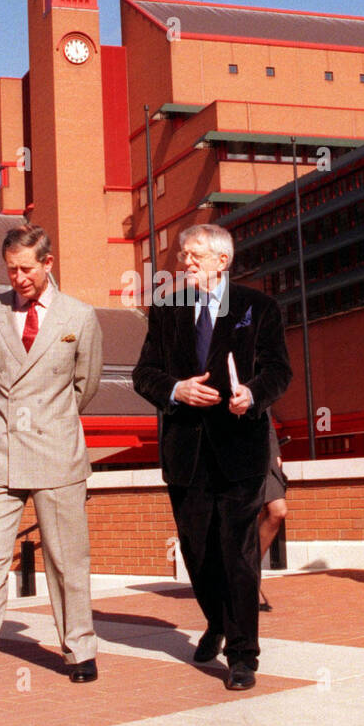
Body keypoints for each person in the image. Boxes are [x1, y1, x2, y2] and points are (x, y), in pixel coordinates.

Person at [0, 225, 103, 694]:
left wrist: (51, 419)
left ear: (48, 264)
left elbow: (83, 386)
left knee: (66, 558)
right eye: (11, 269)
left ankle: (80, 648)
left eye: (27, 268)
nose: (19, 278)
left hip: (57, 452)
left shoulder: (81, 316)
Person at [132, 224, 292, 691]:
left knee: (238, 552)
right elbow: (144, 374)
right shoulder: (167, 309)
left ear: (223, 261)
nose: (187, 263)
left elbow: (278, 370)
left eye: (196, 255)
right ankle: (218, 621)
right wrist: (176, 389)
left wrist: (252, 395)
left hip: (240, 448)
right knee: (197, 551)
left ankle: (243, 655)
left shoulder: (257, 308)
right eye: (184, 255)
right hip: (186, 453)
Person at [257, 422, 287, 612]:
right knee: (246, 518)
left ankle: (248, 571)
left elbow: (265, 415)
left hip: (265, 454)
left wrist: (275, 451)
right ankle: (246, 582)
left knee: (278, 510)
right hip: (235, 454)